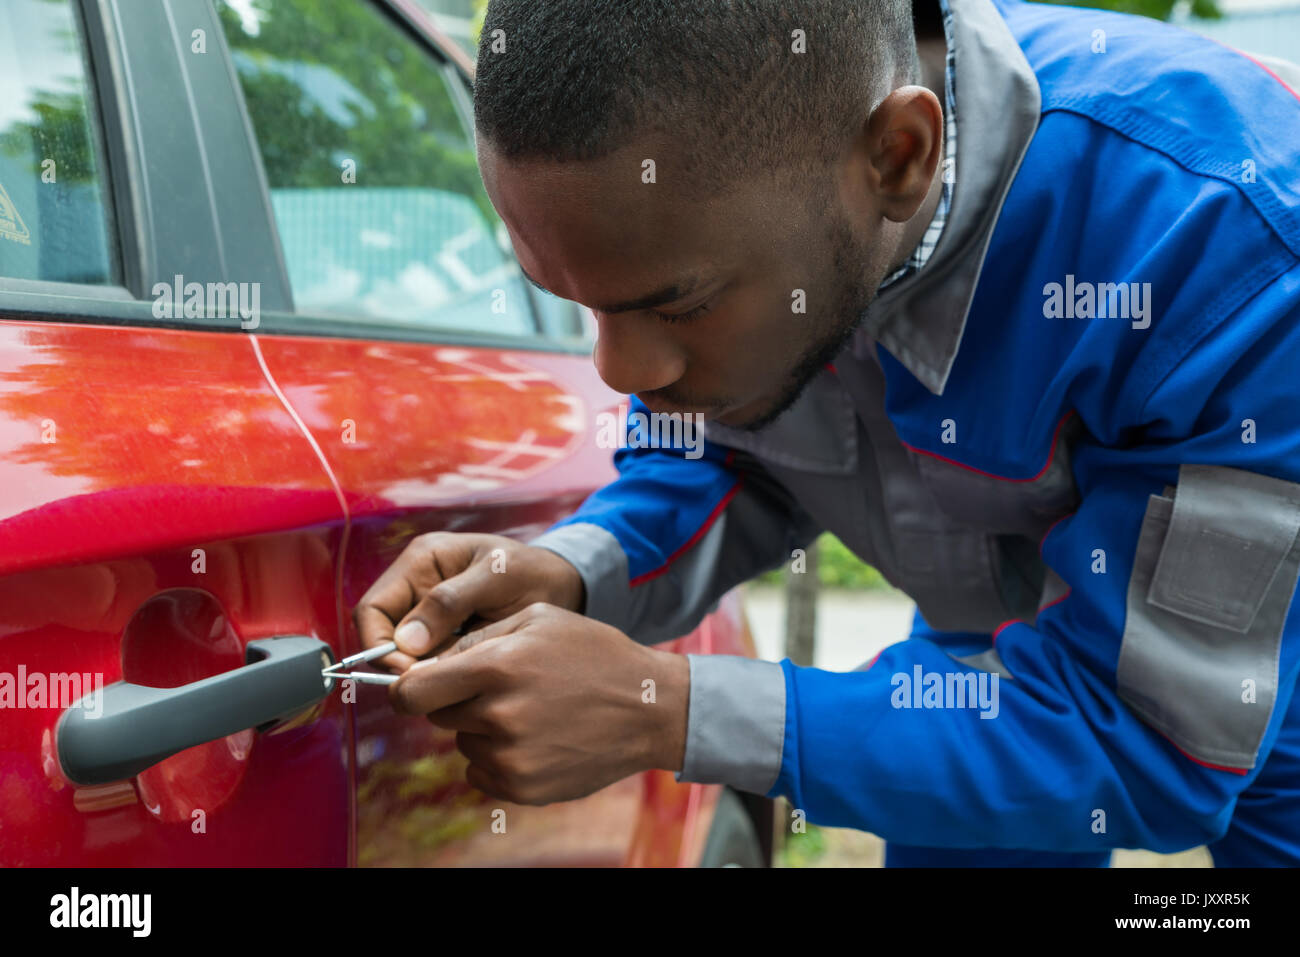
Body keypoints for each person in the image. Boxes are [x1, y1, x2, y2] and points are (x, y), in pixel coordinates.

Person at [355, 0, 1300, 865]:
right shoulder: (755, 199)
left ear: (897, 157)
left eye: (673, 304)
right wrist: (576, 571)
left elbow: (1142, 741)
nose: (621, 373)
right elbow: (730, 457)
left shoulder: (1225, 247)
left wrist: (672, 711)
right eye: (578, 305)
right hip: (986, 664)